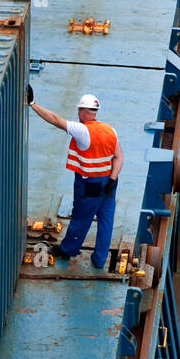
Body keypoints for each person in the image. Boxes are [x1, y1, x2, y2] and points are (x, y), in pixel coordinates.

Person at [28, 86, 124, 269]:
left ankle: (68, 249)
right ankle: (99, 260)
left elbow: (54, 119)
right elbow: (119, 157)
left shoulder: (82, 131)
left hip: (90, 185)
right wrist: (112, 179)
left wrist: (32, 104)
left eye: (79, 110)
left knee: (81, 218)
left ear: (83, 111)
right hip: (110, 182)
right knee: (106, 220)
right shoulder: (110, 130)